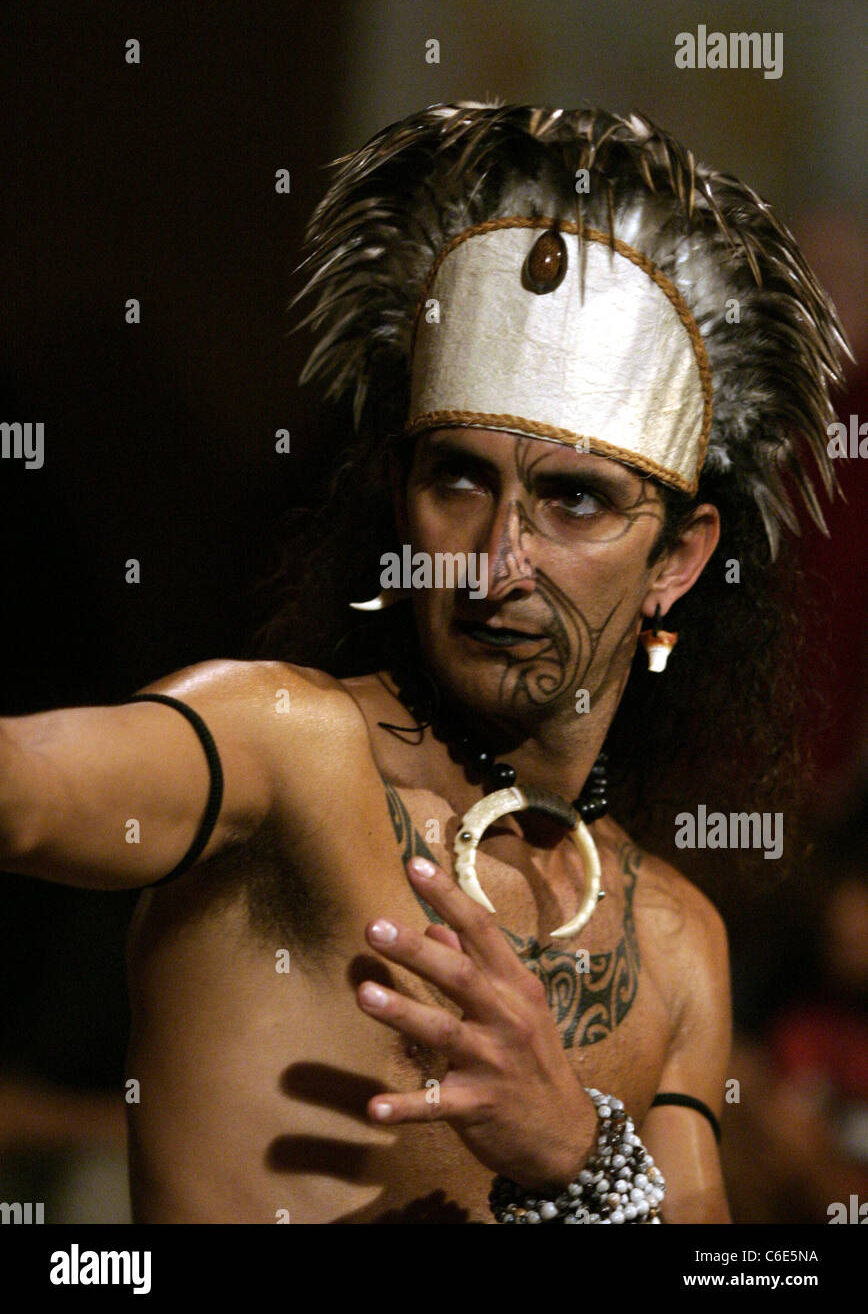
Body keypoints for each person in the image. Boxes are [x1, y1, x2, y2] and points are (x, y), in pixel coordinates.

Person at [0, 103, 849, 1224]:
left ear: (677, 560)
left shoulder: (681, 945)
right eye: (458, 480)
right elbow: (25, 789)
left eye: (574, 499)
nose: (498, 561)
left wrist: (575, 1153)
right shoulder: (279, 749)